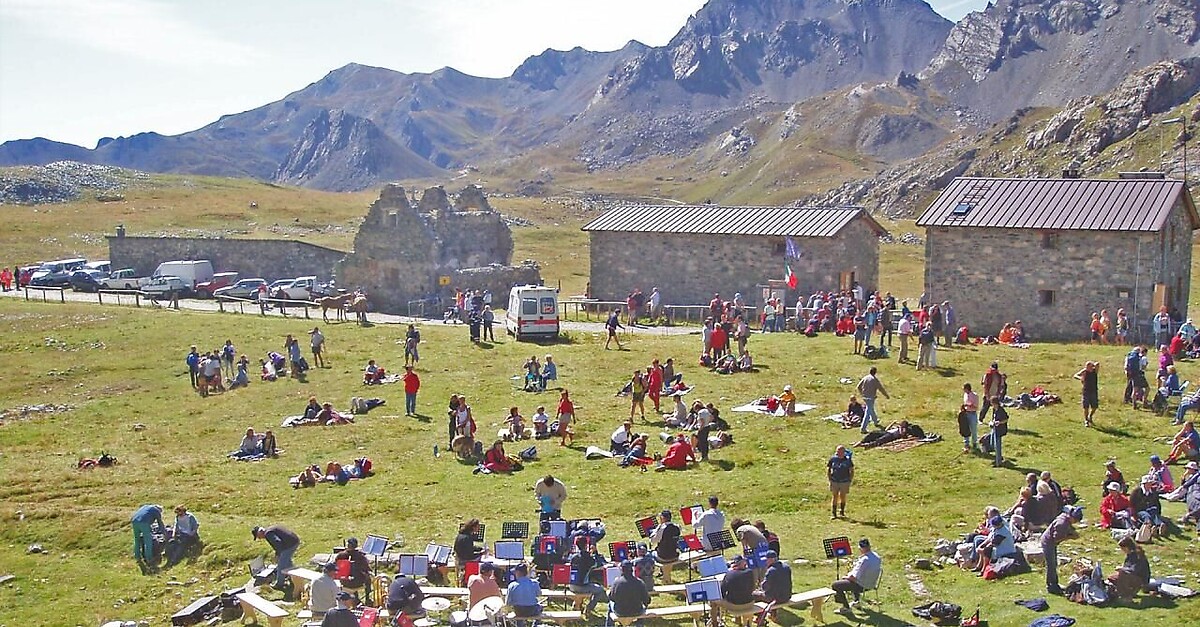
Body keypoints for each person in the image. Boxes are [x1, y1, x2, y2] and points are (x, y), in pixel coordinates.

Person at [1041, 506, 1083, 595]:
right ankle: (1051, 586)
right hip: (1048, 543)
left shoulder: (1065, 518)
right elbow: (1056, 539)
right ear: (1072, 517)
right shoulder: (1061, 523)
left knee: (1053, 563)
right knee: (1051, 565)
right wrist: (1071, 537)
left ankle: (1054, 584)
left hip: (1051, 542)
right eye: (1075, 520)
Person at [832, 539, 881, 613]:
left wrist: (846, 577)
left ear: (861, 548)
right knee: (851, 581)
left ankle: (846, 607)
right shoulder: (877, 556)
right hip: (872, 583)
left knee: (836, 585)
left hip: (862, 585)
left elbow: (854, 577)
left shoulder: (864, 560)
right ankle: (857, 601)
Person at [253, 525, 301, 591]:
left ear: (260, 532)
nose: (260, 538)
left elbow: (278, 542)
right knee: (287, 562)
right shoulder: (270, 529)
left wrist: (278, 555)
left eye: (258, 536)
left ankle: (279, 584)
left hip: (290, 545)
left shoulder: (268, 534)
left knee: (281, 565)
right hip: (293, 541)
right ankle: (293, 578)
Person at [568, 536, 608, 616]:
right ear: (586, 545)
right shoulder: (588, 558)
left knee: (586, 583)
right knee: (600, 590)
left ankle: (576, 605)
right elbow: (598, 564)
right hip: (581, 586)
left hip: (571, 585)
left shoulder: (573, 557)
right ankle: (589, 608)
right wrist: (594, 552)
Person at [608, 560, 650, 626]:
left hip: (620, 612)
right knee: (643, 606)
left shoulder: (616, 582)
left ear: (621, 569)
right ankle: (639, 624)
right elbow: (647, 600)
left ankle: (609, 625)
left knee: (610, 604)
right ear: (632, 569)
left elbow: (612, 598)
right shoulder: (639, 582)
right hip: (637, 611)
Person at [856, 367, 890, 433]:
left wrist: (862, 393)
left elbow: (858, 386)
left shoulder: (865, 377)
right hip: (871, 398)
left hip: (865, 397)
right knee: (868, 412)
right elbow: (881, 388)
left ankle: (875, 421)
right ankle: (863, 428)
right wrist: (886, 395)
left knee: (871, 409)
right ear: (875, 372)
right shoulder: (874, 380)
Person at [828, 445, 854, 519]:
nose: (838, 453)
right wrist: (830, 479)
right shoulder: (833, 459)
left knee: (843, 496)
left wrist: (850, 479)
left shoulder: (848, 460)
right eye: (837, 451)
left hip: (844, 481)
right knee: (834, 496)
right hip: (834, 480)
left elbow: (851, 470)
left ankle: (842, 511)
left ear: (843, 452)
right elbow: (829, 469)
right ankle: (834, 513)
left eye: (840, 451)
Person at [1074, 361, 1100, 427]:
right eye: (1086, 366)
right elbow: (1075, 375)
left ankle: (1090, 416)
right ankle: (1086, 420)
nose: (1087, 368)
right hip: (1086, 391)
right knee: (1086, 407)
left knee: (1094, 407)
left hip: (1094, 391)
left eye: (1089, 366)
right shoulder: (1085, 371)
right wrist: (1081, 378)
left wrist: (1093, 365)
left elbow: (1098, 364)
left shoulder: (1095, 371)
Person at [988, 397, 1008, 467]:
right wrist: (992, 422)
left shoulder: (1001, 410)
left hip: (999, 430)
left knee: (997, 446)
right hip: (994, 428)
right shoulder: (994, 409)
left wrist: (999, 422)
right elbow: (994, 418)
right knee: (992, 443)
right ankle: (998, 458)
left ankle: (998, 462)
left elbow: (1006, 419)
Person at [960, 383, 980, 453]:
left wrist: (970, 405)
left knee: (973, 429)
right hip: (966, 413)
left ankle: (974, 443)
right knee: (965, 428)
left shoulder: (975, 396)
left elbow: (976, 407)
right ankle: (966, 443)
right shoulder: (965, 395)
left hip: (972, 413)